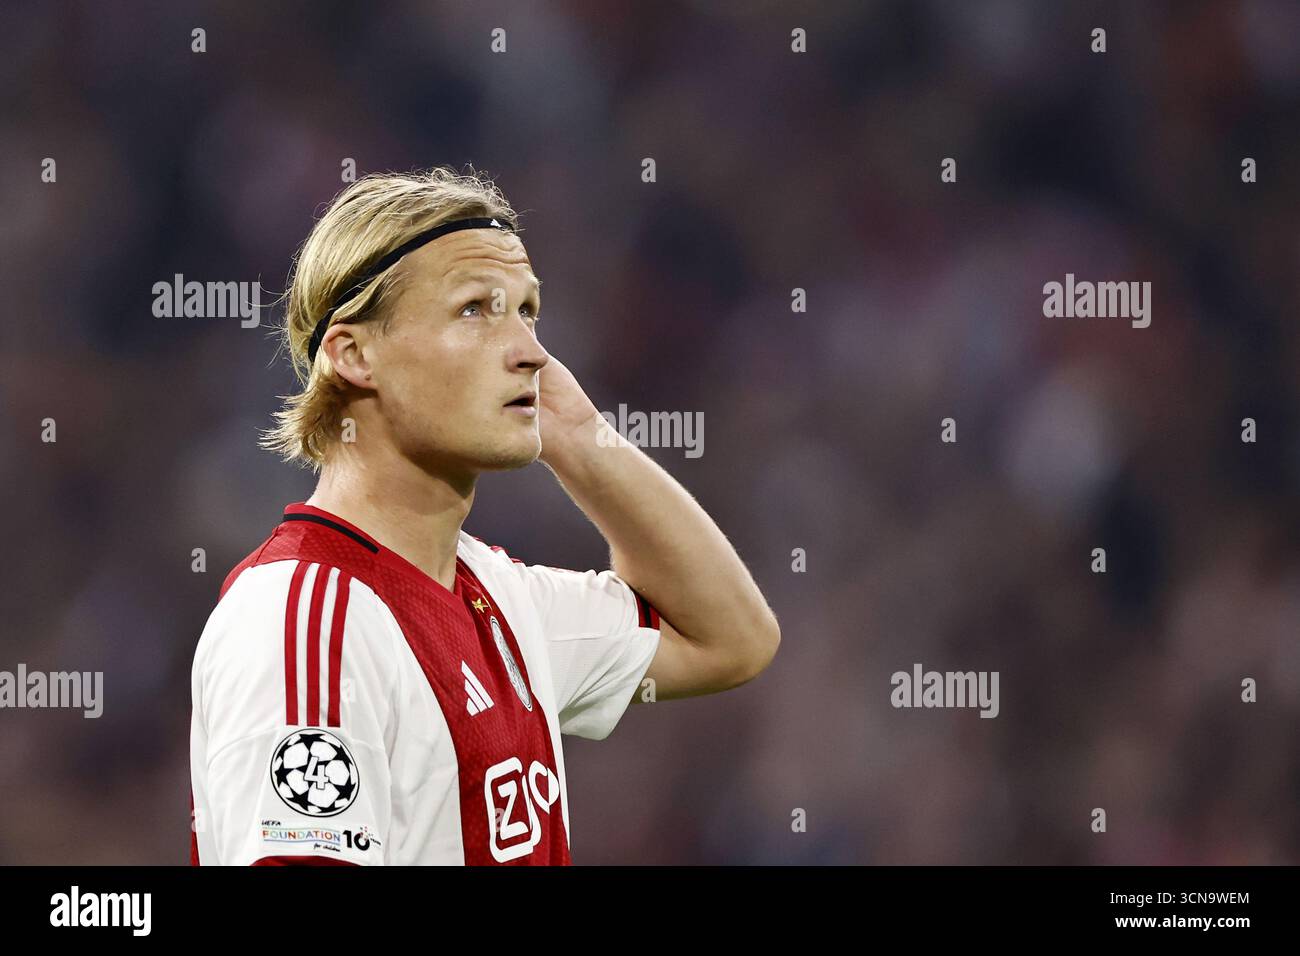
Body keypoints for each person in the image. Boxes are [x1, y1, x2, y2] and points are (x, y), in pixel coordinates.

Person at [189, 167, 780, 865]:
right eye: (476, 309)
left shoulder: (501, 597)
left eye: (527, 313)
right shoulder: (304, 620)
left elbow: (731, 638)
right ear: (354, 355)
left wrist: (583, 440)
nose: (531, 352)